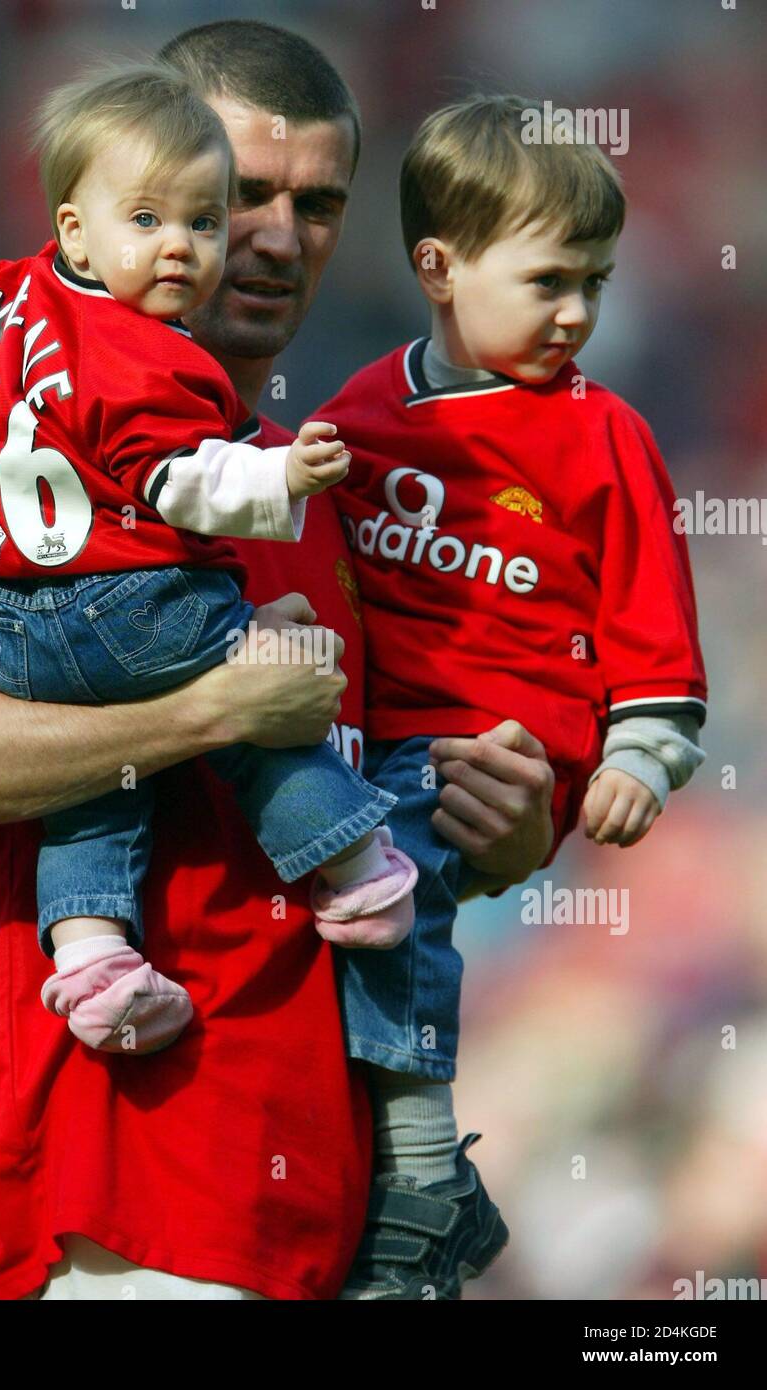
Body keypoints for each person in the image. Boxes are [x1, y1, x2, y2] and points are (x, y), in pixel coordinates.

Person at [0, 24, 555, 1301]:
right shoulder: (1, 449)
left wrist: (498, 829)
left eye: (316, 203)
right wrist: (208, 704)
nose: (272, 236)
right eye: (240, 194)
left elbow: (376, 809)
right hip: (128, 1214)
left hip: (326, 1222)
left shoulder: (320, 495)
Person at [0, 64, 415, 1058]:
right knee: (258, 713)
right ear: (77, 226)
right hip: (94, 1177)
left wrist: (517, 820)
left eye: (314, 204)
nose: (250, 236)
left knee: (92, 787)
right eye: (234, 199)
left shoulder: (6, 313)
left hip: (311, 1151)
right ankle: (356, 863)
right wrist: (234, 677)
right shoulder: (127, 379)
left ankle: (95, 953)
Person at [315, 93, 707, 1299]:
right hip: (362, 747)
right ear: (437, 267)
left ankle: (422, 1164)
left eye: (594, 280)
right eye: (546, 281)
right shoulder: (349, 425)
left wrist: (639, 759)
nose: (578, 313)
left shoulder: (606, 438)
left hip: (497, 754)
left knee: (391, 884)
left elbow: (659, 645)